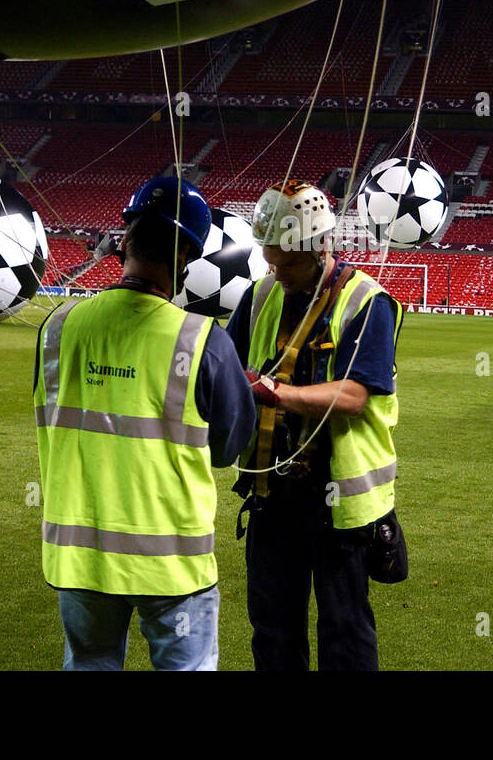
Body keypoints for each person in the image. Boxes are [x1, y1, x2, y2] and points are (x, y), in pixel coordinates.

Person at [33, 175, 256, 671]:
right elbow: (228, 448)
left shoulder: (59, 326)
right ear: (185, 258)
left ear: (125, 238)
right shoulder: (204, 340)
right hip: (171, 565)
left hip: (81, 558)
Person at [226, 178, 405, 671]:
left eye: (286, 262)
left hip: (338, 500)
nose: (275, 271)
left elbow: (353, 395)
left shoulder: (368, 301)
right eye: (270, 260)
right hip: (271, 494)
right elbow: (226, 363)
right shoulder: (262, 293)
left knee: (344, 632)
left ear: (319, 246)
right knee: (272, 628)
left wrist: (272, 391)